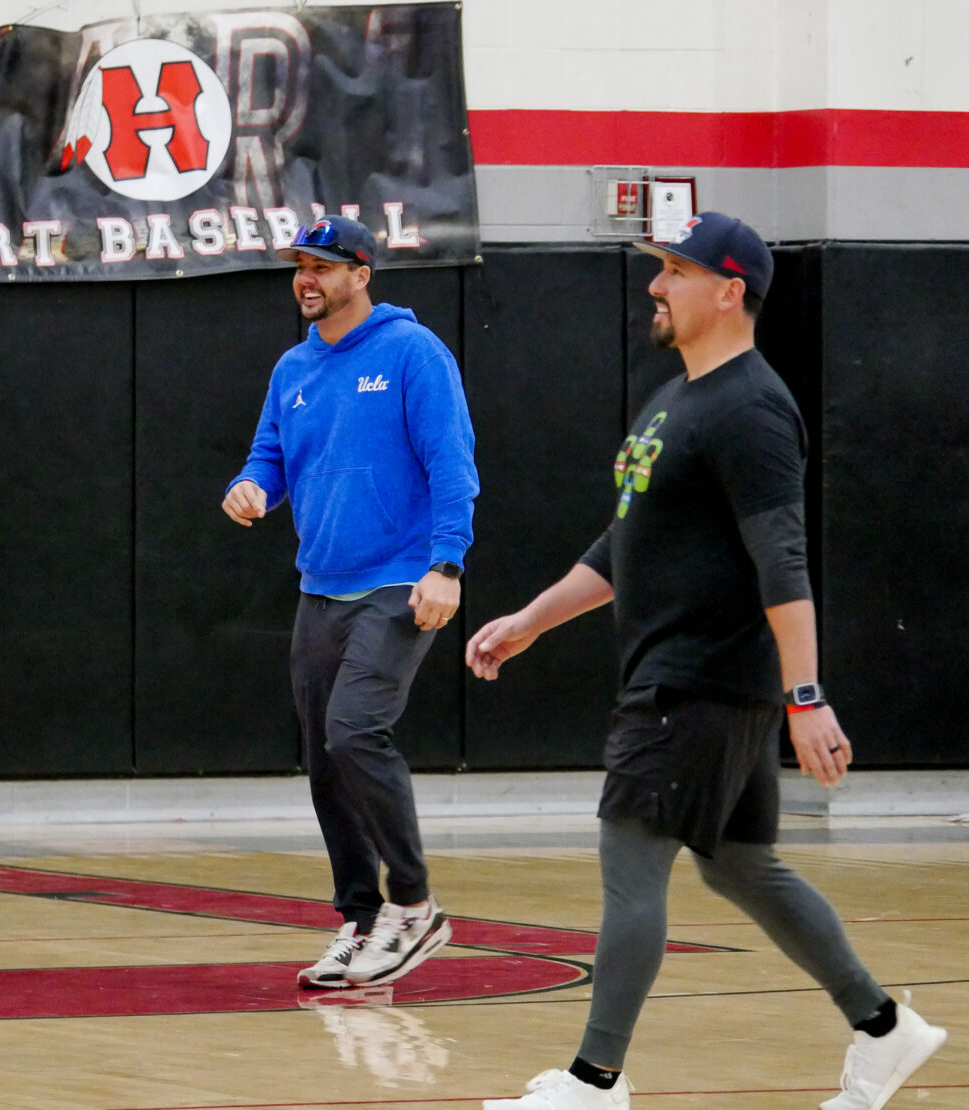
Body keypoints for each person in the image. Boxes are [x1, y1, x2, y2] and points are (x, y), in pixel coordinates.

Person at [465, 213, 946, 1110]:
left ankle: (595, 1081)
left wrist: (807, 695)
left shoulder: (753, 409)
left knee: (632, 853)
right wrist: (532, 619)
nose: (656, 285)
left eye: (676, 271)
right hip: (702, 681)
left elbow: (784, 561)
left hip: (698, 681)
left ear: (730, 290)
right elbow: (627, 543)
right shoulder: (676, 398)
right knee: (737, 864)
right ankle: (886, 1031)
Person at [222, 215, 479, 990]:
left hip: (400, 579)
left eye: (323, 266)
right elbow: (270, 454)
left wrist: (447, 564)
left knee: (356, 730)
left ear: (361, 273)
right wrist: (253, 488)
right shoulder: (292, 369)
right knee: (326, 759)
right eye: (299, 266)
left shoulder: (411, 353)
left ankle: (414, 905)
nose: (307, 278)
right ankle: (362, 919)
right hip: (320, 586)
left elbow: (450, 461)